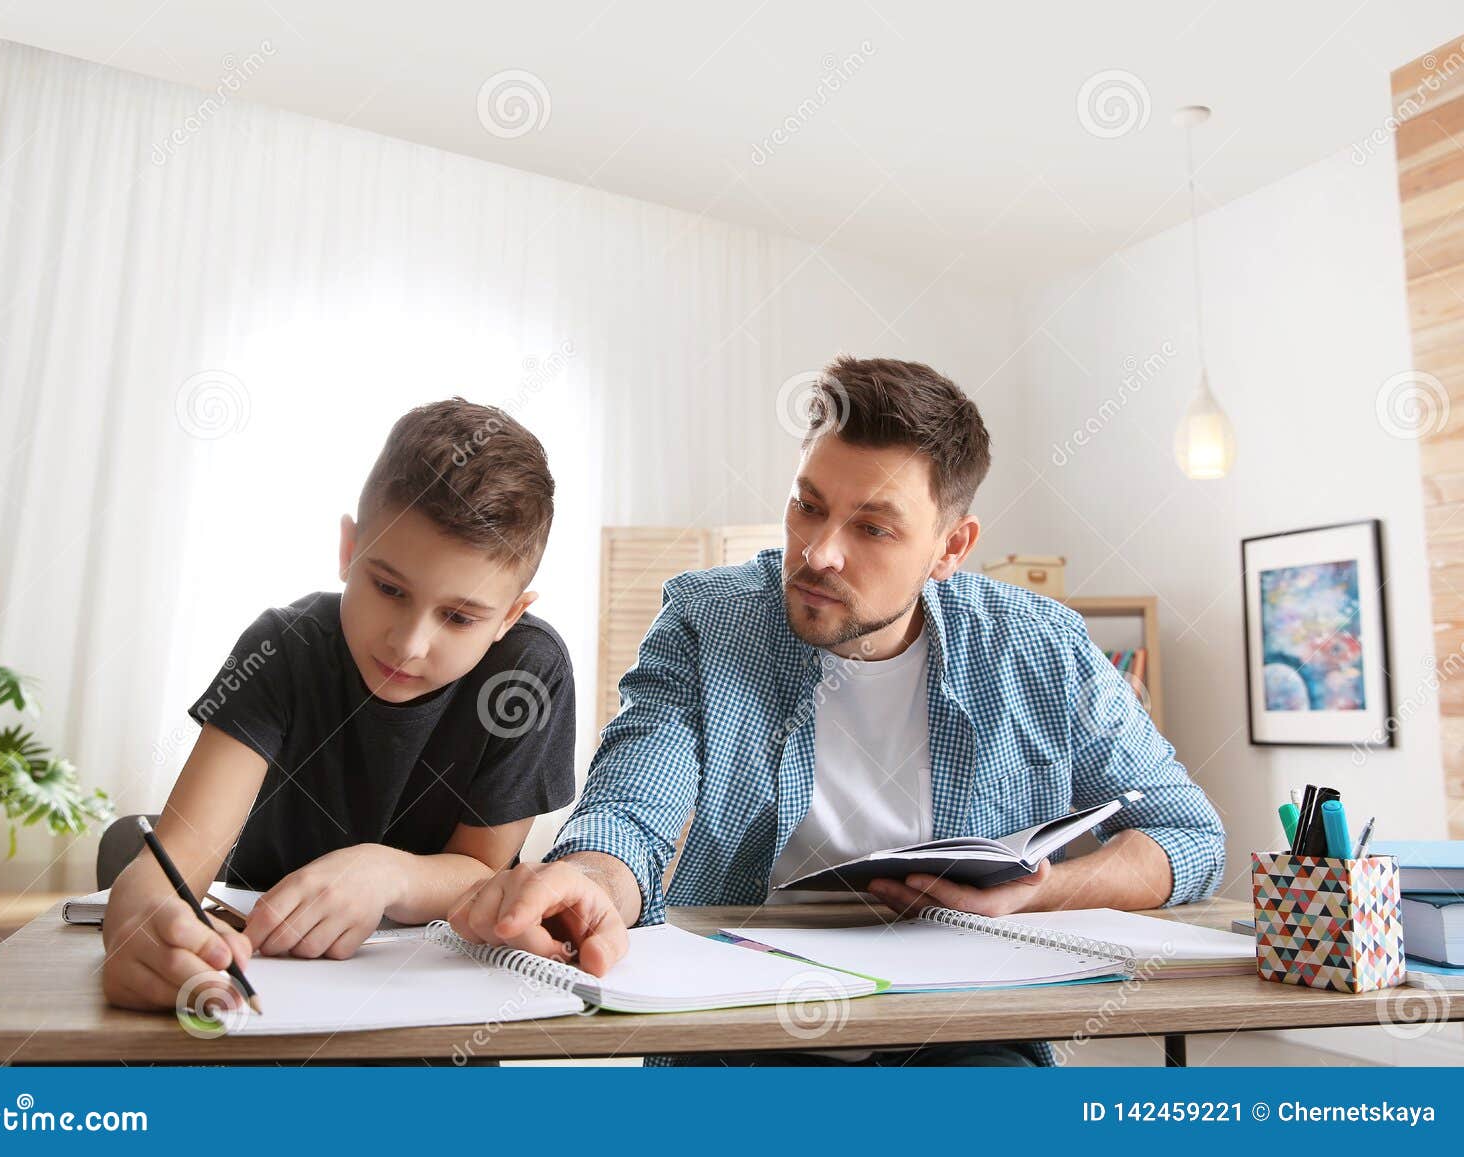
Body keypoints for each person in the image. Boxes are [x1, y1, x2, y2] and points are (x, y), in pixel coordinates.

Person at [448, 356, 1224, 1066]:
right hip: (744, 1034)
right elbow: (631, 812)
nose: (819, 551)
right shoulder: (707, 619)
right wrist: (589, 880)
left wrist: (1038, 889)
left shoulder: (1039, 646)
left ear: (951, 546)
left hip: (967, 1033)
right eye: (808, 507)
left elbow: (1187, 835)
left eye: (873, 528)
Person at [103, 399, 576, 1012]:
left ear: (511, 616)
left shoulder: (529, 674)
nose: (409, 645)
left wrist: (388, 873)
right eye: (388, 588)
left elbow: (481, 870)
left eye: (460, 617)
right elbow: (176, 859)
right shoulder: (282, 647)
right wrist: (139, 917)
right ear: (349, 548)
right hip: (267, 981)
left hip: (433, 997)